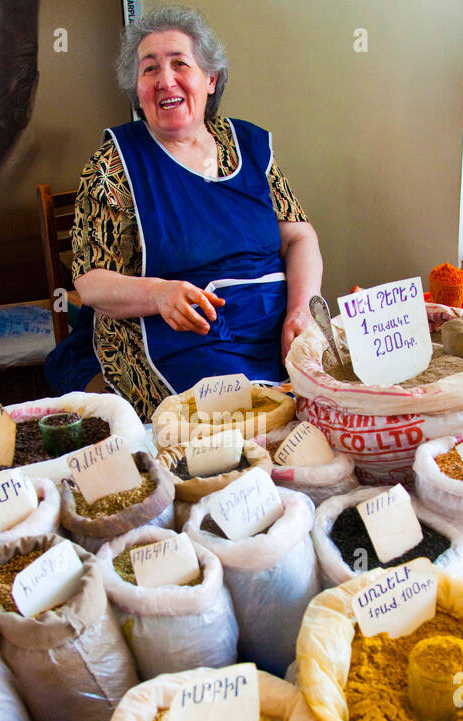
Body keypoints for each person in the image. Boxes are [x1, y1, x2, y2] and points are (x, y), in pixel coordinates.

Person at [45, 5, 323, 420]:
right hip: (180, 340)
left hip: (277, 329)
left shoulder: (249, 145)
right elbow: (90, 283)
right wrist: (160, 294)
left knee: (337, 396)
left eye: (180, 64)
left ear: (210, 79)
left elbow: (300, 237)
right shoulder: (114, 164)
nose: (165, 81)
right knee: (244, 421)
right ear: (137, 88)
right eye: (149, 69)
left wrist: (302, 309)